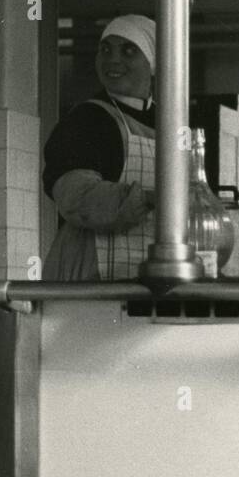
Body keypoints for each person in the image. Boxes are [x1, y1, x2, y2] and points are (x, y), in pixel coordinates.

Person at [42, 15, 157, 281]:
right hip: (89, 274)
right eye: (106, 50)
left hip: (149, 276)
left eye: (128, 50)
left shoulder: (171, 123)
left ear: (152, 63)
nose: (113, 60)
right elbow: (75, 195)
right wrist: (154, 199)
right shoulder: (88, 119)